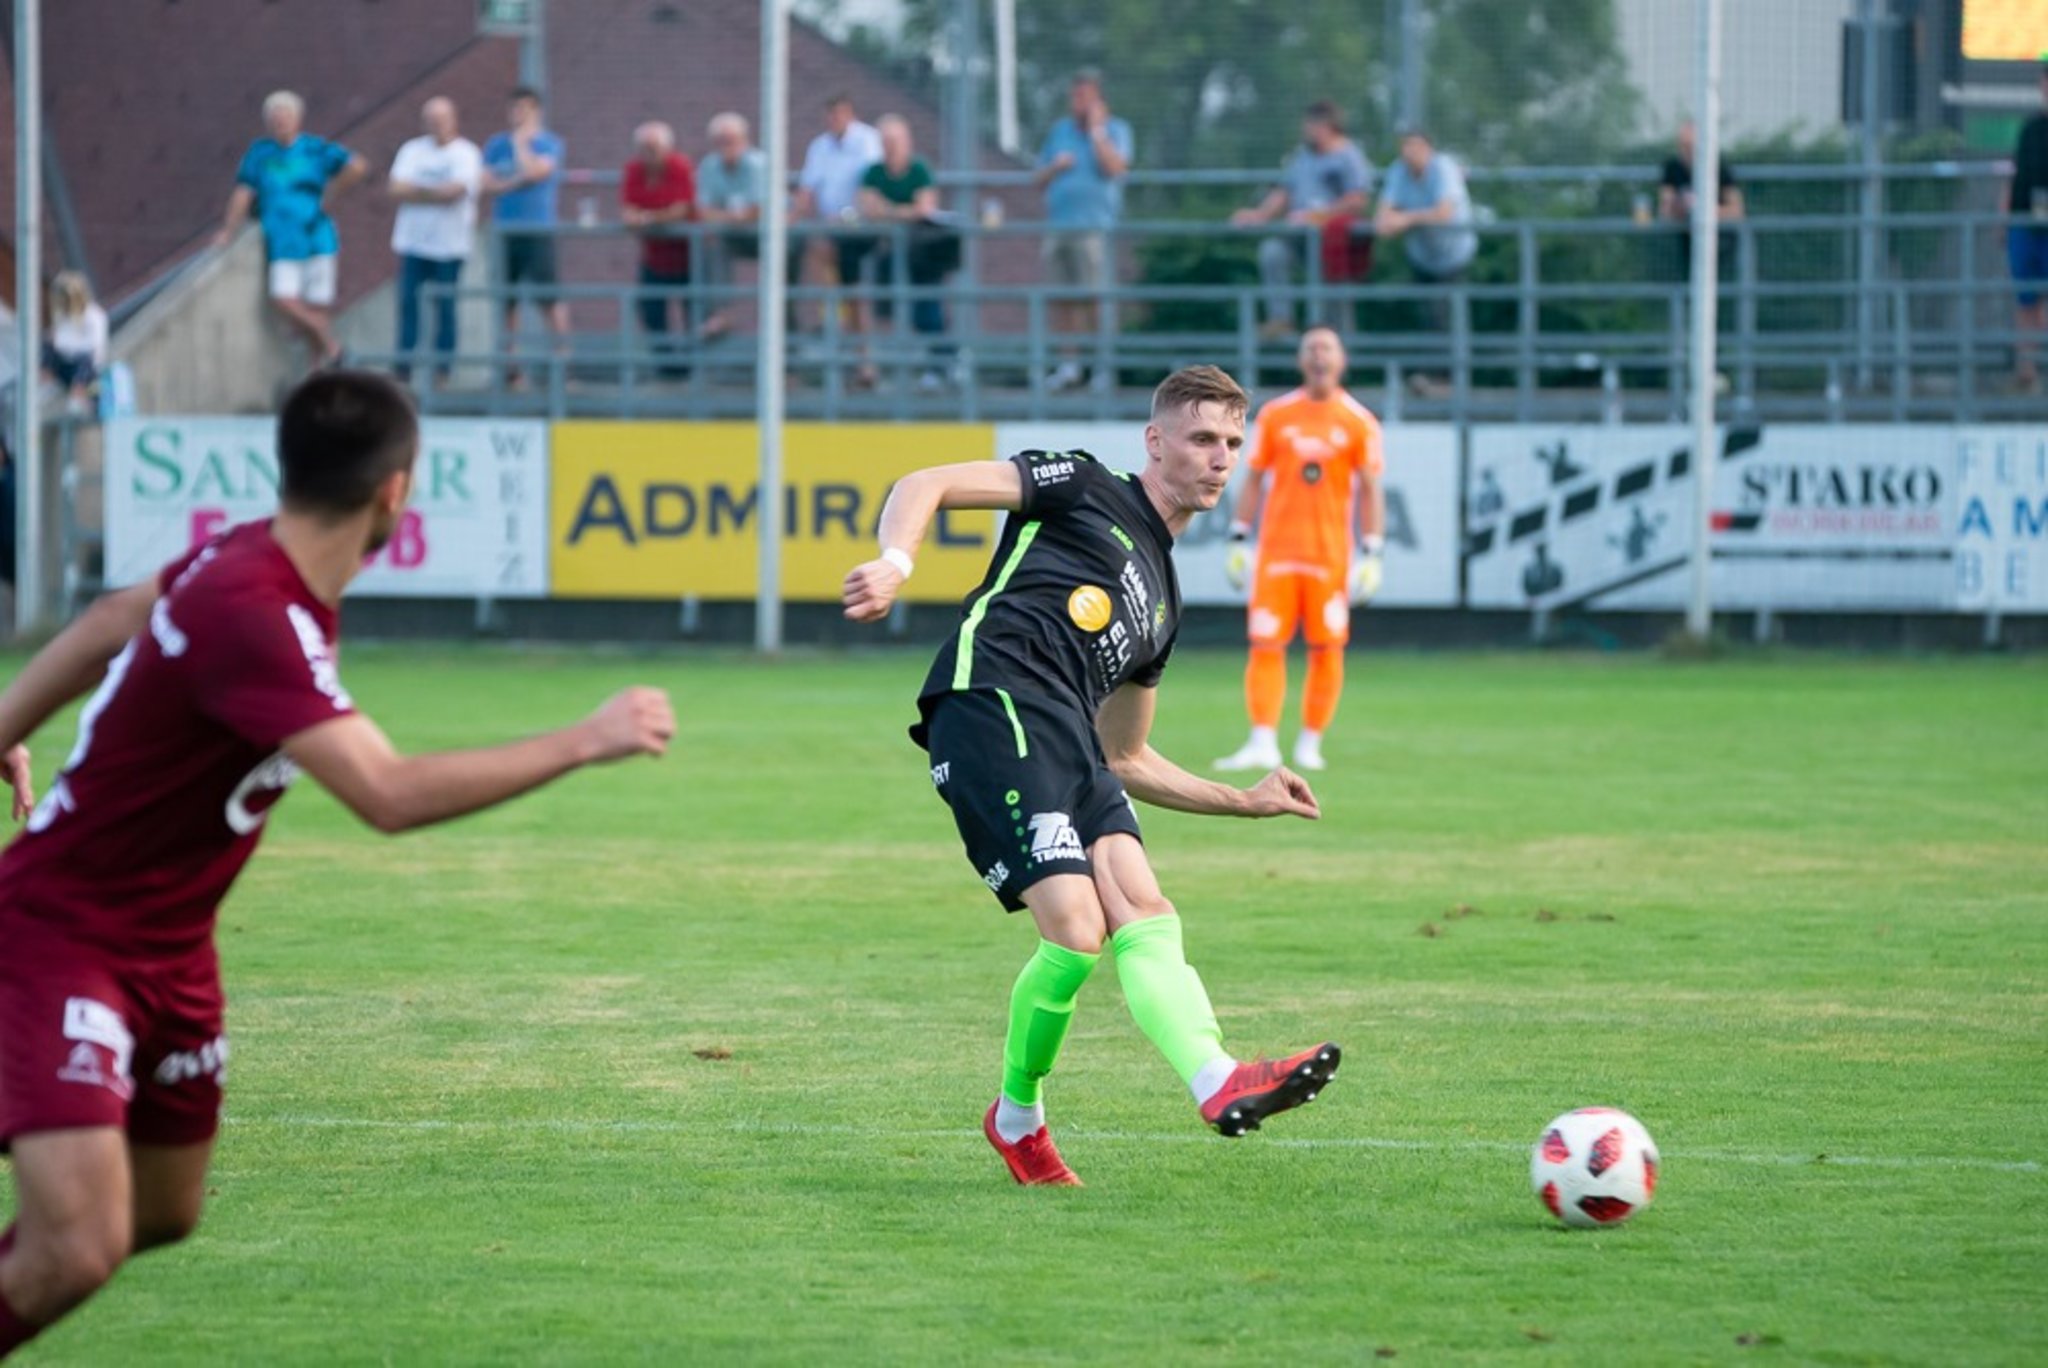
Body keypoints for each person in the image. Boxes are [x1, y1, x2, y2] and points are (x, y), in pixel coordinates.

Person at [0, 370, 675, 1358]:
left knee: (163, 1210)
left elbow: (111, 618)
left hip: (173, 957)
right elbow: (386, 794)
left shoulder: (251, 562)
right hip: (66, 937)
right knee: (78, 1244)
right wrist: (584, 738)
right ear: (395, 494)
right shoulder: (253, 610)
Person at [840, 366, 1340, 1187]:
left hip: (1070, 739)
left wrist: (1244, 803)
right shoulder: (1080, 483)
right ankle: (1021, 1119)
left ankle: (1210, 1081)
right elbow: (925, 481)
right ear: (1156, 441)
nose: (1220, 460)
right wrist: (896, 561)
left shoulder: (1163, 605)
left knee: (1144, 906)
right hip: (989, 699)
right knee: (1076, 930)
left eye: (1233, 445)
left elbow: (1126, 757)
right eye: (1203, 439)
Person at [1215, 328, 1385, 775]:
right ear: (1300, 360)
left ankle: (1311, 742)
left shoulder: (1358, 420)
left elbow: (1370, 489)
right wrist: (1238, 536)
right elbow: (1253, 478)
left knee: (1327, 649)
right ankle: (1262, 741)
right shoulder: (1275, 415)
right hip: (1276, 556)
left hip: (1330, 557)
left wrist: (1372, 550)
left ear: (1342, 360)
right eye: (1311, 348)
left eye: (1327, 348)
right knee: (1265, 645)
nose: (1319, 356)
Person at [213, 91, 368, 371]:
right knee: (284, 298)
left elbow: (356, 166)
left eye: (285, 117)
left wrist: (332, 191)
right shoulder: (261, 153)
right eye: (275, 118)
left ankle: (317, 370)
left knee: (318, 303)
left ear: (297, 119)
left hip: (317, 235)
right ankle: (333, 347)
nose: (280, 123)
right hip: (282, 239)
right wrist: (229, 230)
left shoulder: (313, 148)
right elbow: (243, 192)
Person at [1231, 101, 1373, 340]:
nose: (1307, 130)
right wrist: (1259, 215)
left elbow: (1357, 200)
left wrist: (1320, 215)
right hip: (1299, 237)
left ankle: (1342, 345)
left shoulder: (1349, 156)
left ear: (1328, 126)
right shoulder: (1303, 155)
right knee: (1272, 252)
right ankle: (1281, 319)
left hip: (1331, 241)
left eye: (1312, 125)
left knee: (1333, 301)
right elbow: (1285, 191)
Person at [1034, 69, 1132, 392]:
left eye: (1085, 97)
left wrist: (1097, 133)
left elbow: (1116, 169)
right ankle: (1068, 365)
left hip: (1095, 228)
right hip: (1059, 225)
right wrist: (1055, 167)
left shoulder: (1115, 130)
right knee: (1062, 298)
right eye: (1075, 97)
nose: (1078, 103)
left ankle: (1103, 366)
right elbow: (1038, 179)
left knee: (1095, 298)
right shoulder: (1059, 132)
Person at [387, 97, 483, 386]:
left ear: (453, 120)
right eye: (431, 120)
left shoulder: (466, 153)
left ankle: (443, 370)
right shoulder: (412, 150)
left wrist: (417, 192)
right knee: (408, 305)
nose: (436, 126)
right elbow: (395, 188)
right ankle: (403, 368)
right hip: (413, 243)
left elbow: (454, 192)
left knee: (446, 307)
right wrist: (434, 193)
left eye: (442, 119)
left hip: (449, 247)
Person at [1373, 127, 1479, 389]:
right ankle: (1433, 377)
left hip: (1453, 255)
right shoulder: (1399, 170)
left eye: (1416, 146)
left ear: (1429, 149)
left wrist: (1406, 218)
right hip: (1423, 257)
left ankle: (1446, 379)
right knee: (1427, 315)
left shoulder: (1443, 168)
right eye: (1406, 146)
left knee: (1445, 315)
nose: (1410, 152)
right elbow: (1382, 221)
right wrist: (1393, 220)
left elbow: (1444, 214)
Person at [481, 87, 571, 386]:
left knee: (549, 298)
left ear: (536, 112)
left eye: (524, 109)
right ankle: (512, 368)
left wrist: (521, 145)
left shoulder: (548, 143)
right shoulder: (495, 145)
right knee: (508, 301)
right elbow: (485, 185)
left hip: (537, 230)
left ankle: (562, 362)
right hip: (506, 232)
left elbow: (536, 172)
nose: (517, 115)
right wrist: (516, 180)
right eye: (514, 109)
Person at [856, 114, 951, 392]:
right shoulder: (874, 171)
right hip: (887, 253)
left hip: (922, 254)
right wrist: (903, 212)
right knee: (884, 307)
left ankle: (939, 367)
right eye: (885, 142)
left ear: (907, 142)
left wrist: (888, 211)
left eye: (895, 141)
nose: (891, 147)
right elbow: (867, 208)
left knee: (929, 309)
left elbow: (924, 209)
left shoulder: (919, 168)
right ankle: (883, 369)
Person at [793, 95, 883, 338]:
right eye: (830, 115)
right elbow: (807, 189)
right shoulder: (819, 146)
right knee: (818, 251)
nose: (834, 120)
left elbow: (871, 186)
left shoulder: (868, 140)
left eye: (839, 114)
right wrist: (791, 215)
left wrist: (851, 215)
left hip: (863, 229)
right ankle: (834, 316)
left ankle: (850, 334)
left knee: (856, 291)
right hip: (833, 229)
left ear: (851, 115)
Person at [619, 121, 697, 375]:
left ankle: (692, 368)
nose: (648, 154)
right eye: (643, 148)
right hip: (654, 257)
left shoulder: (680, 166)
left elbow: (683, 208)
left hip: (687, 256)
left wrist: (649, 218)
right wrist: (641, 217)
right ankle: (667, 369)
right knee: (650, 310)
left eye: (653, 147)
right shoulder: (634, 169)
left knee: (693, 313)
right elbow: (628, 209)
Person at [695, 112, 766, 340]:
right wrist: (735, 217)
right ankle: (720, 314)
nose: (726, 146)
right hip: (733, 234)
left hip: (768, 235)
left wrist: (726, 216)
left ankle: (786, 323)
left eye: (731, 140)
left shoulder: (757, 164)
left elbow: (758, 210)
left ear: (744, 140)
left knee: (787, 255)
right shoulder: (709, 166)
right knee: (712, 243)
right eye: (721, 141)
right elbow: (704, 211)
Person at [2005, 62, 2048, 394]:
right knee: (2025, 300)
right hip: (2025, 226)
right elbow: (2014, 176)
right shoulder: (2030, 130)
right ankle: (2027, 372)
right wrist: (2004, 218)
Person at [1657, 119, 1743, 279]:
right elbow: (1665, 210)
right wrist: (1680, 209)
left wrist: (1707, 213)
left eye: (1690, 146)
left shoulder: (1719, 166)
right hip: (1685, 242)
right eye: (1682, 145)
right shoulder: (1672, 168)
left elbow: (1737, 211)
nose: (1686, 151)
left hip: (1720, 242)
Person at [40, 272, 108, 412]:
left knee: (85, 358)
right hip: (67, 365)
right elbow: (60, 343)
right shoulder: (63, 317)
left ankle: (78, 395)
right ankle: (46, 382)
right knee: (47, 345)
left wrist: (61, 343)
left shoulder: (94, 315)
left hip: (88, 370)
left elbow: (94, 347)